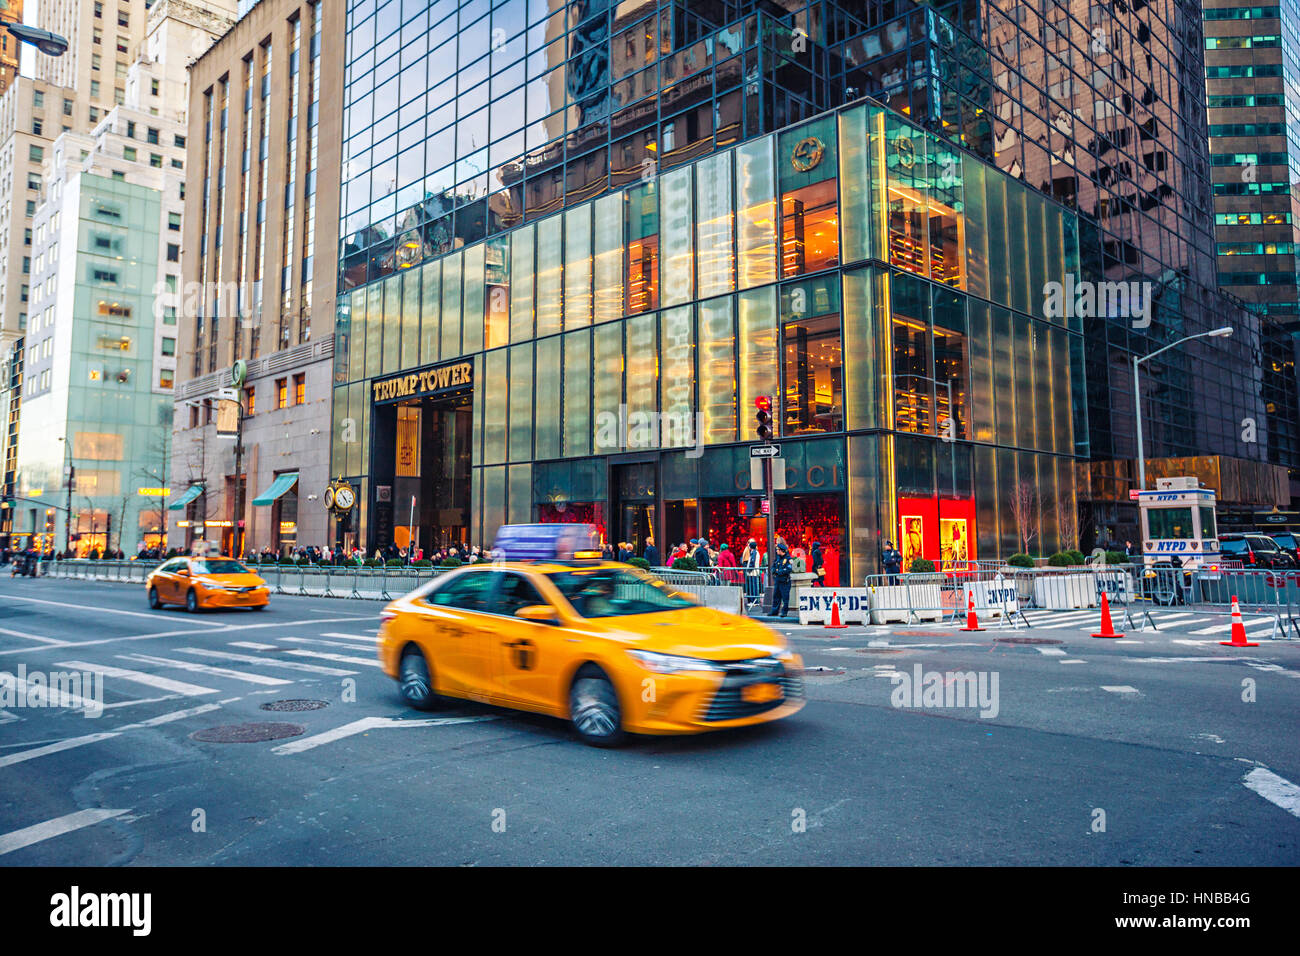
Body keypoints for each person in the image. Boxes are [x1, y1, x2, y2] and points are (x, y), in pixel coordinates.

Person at [768, 543, 792, 617]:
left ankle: (784, 612)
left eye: (777, 550)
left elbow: (788, 569)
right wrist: (774, 571)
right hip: (778, 580)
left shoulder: (788, 559)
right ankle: (774, 611)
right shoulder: (778, 558)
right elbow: (773, 567)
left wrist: (778, 572)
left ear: (782, 550)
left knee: (785, 597)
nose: (776, 551)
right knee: (776, 597)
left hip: (784, 581)